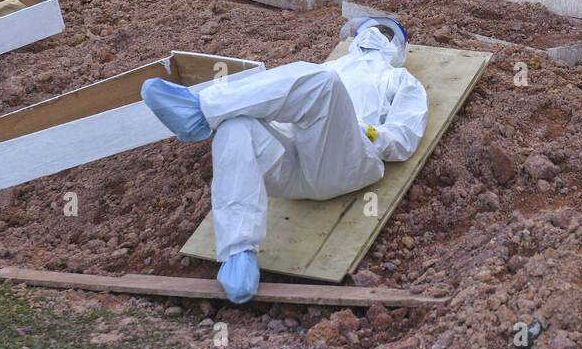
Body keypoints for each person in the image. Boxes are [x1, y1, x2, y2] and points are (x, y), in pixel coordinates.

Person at [140, 19, 429, 303]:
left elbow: (404, 137)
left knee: (322, 83)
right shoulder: (328, 67)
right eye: (370, 30)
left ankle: (200, 110)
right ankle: (238, 254)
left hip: (348, 162)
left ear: (397, 49)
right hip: (296, 164)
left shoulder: (399, 79)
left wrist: (370, 132)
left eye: (384, 33)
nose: (374, 36)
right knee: (236, 124)